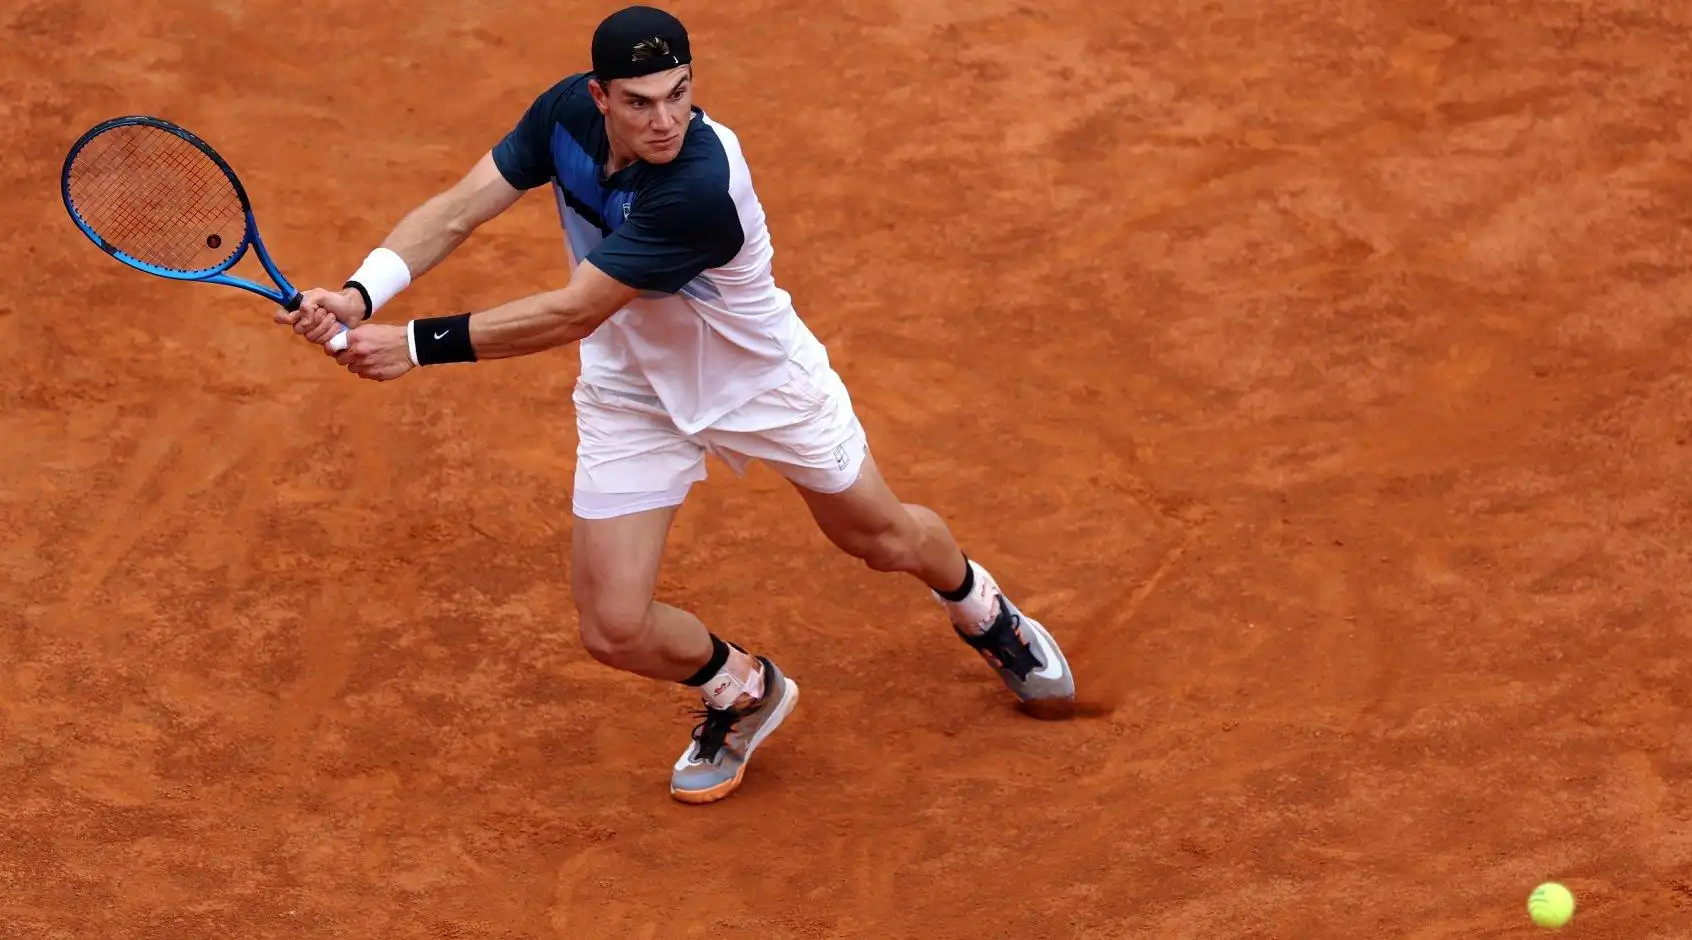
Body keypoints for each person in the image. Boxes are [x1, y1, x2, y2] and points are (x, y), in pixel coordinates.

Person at [276, 4, 1075, 804]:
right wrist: (358, 292)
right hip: (632, 387)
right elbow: (458, 208)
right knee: (612, 628)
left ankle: (979, 605)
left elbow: (573, 310)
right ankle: (743, 689)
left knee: (882, 538)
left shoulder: (698, 183)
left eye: (679, 94)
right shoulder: (561, 118)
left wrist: (414, 344)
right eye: (639, 101)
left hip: (759, 381)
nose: (664, 119)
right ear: (599, 97)